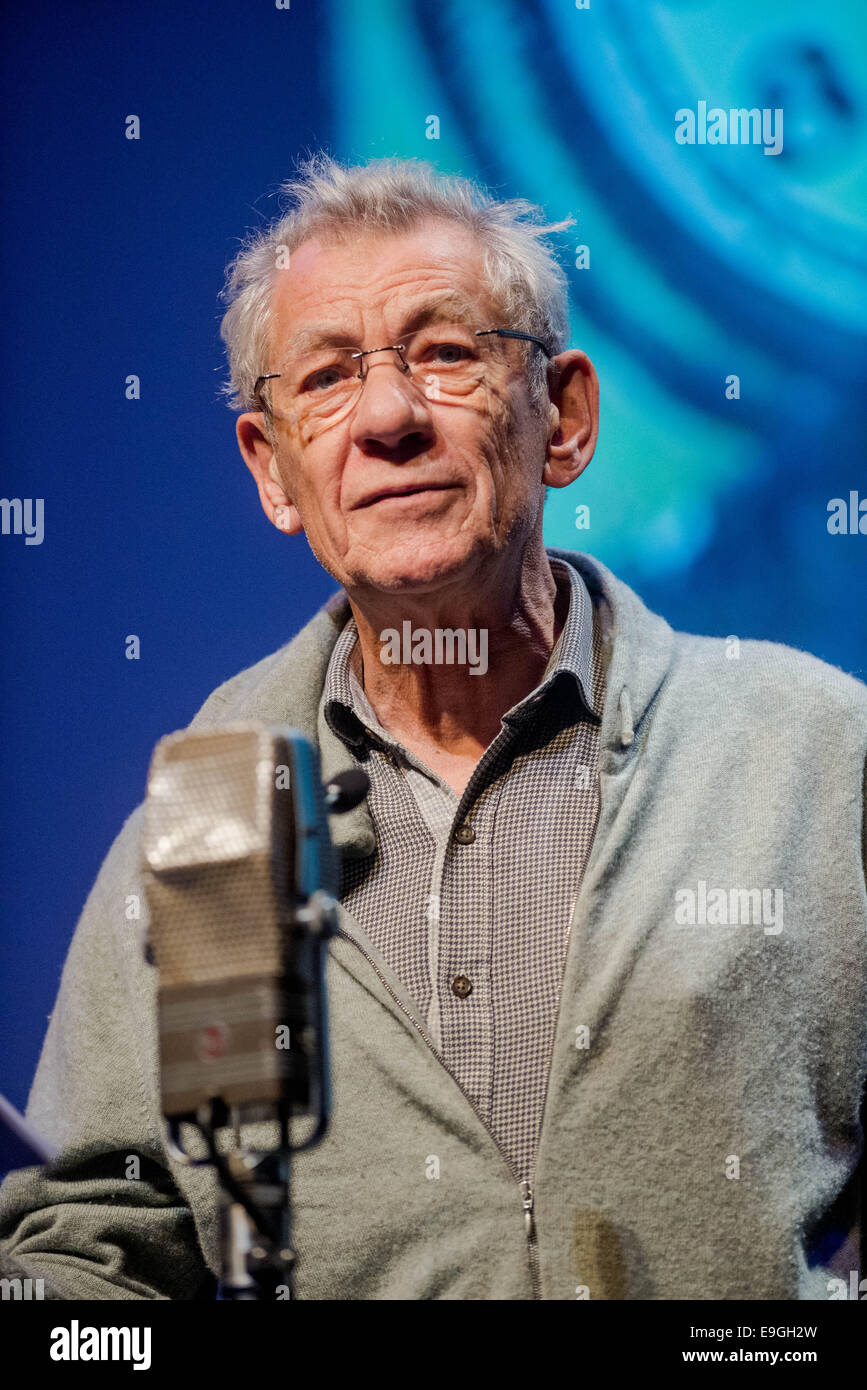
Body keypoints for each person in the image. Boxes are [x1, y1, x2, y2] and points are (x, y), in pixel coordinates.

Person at [1, 155, 865, 1300]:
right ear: (273, 471)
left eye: (446, 354)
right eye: (324, 379)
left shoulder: (811, 752)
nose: (390, 417)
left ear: (563, 417)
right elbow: (85, 1251)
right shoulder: (202, 826)